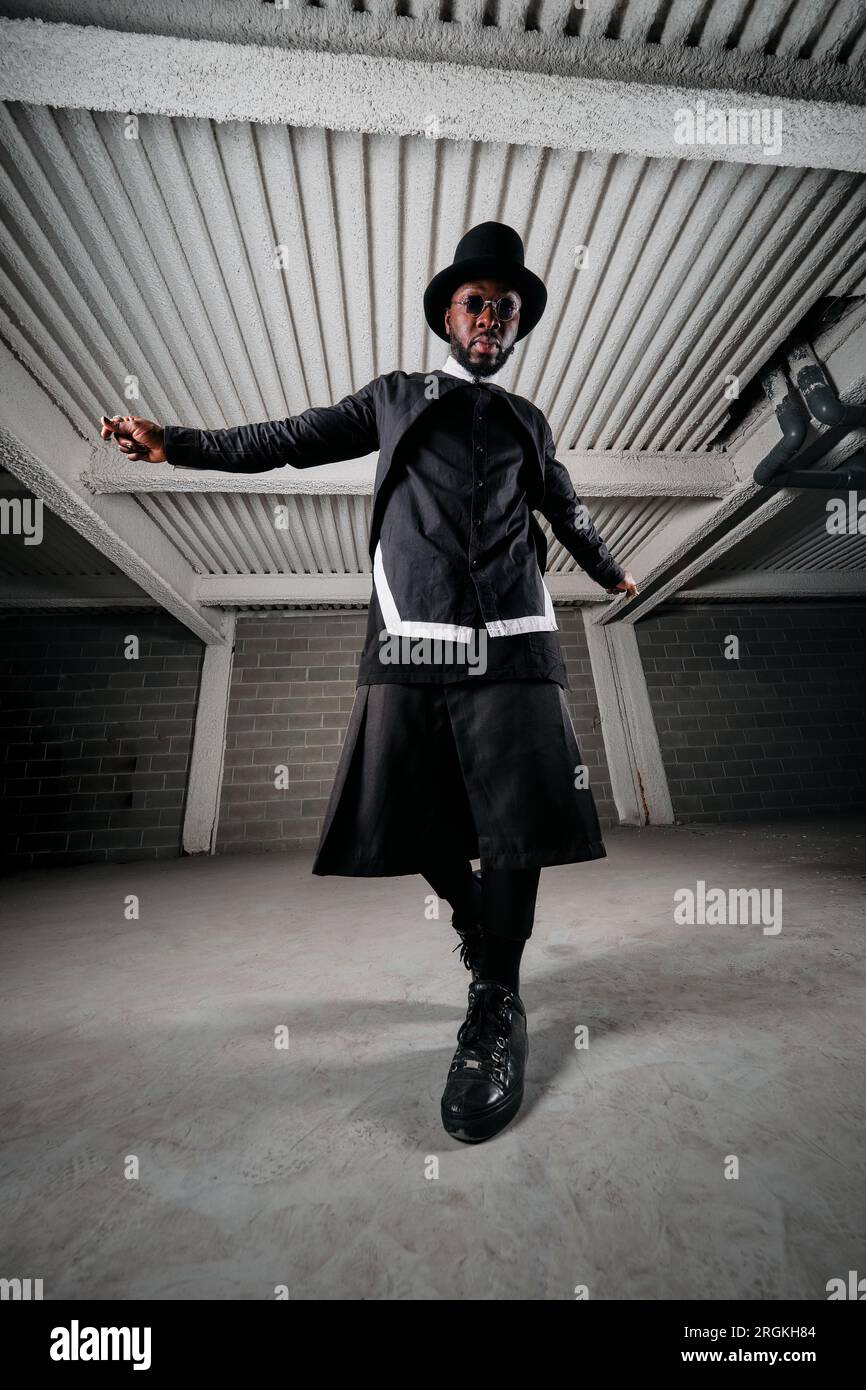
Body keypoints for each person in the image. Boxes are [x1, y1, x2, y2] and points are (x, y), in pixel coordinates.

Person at [100, 221, 638, 1145]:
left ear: (514, 329)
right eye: (477, 303)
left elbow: (566, 505)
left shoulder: (527, 422)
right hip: (414, 633)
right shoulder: (393, 397)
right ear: (448, 315)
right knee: (397, 805)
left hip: (513, 632)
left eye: (505, 310)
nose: (490, 319)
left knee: (519, 820)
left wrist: (611, 567)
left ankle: (496, 1004)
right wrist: (175, 444)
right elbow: (287, 438)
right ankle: (477, 923)